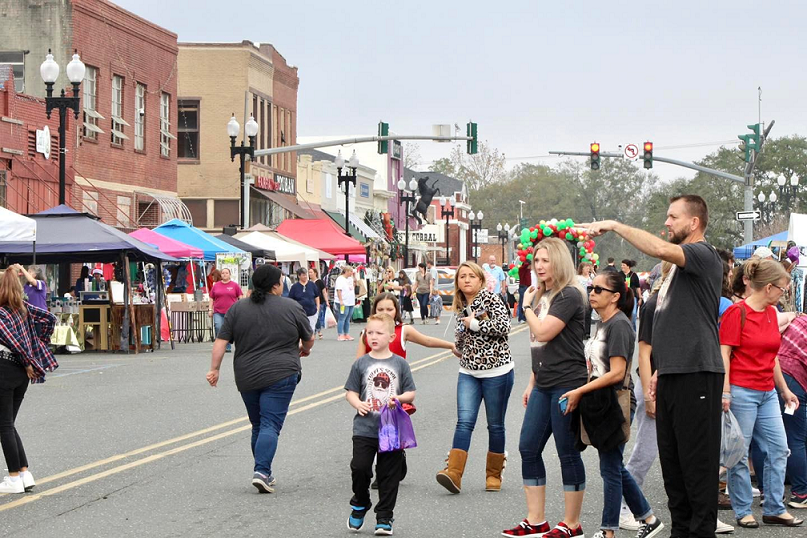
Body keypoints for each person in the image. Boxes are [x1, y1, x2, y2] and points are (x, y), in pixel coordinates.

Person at [582, 195, 724, 538]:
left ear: (694, 223)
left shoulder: (703, 254)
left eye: (673, 217)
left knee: (696, 469)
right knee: (673, 470)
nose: (667, 223)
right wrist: (661, 369)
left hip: (698, 374)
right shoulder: (675, 274)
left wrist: (615, 225)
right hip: (674, 373)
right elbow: (677, 324)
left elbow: (660, 249)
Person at [560, 270, 664, 538]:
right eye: (591, 288)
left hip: (614, 401)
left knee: (610, 469)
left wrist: (579, 390)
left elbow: (617, 373)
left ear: (616, 296)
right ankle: (649, 518)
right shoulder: (602, 321)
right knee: (613, 466)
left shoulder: (619, 325)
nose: (592, 293)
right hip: (599, 399)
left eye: (598, 290)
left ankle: (609, 530)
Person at [503, 238, 587, 538]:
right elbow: (539, 346)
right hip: (543, 382)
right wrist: (531, 382)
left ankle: (572, 523)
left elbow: (543, 332)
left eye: (545, 261)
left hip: (567, 383)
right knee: (528, 447)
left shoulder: (569, 295)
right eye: (536, 261)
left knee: (567, 452)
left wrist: (525, 306)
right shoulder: (546, 293)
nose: (538, 266)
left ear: (559, 262)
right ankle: (535, 520)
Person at [206, 264, 314, 494]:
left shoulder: (237, 309)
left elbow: (221, 342)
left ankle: (264, 470)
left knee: (258, 423)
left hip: (247, 375)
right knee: (270, 424)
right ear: (275, 285)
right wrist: (304, 348)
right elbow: (309, 338)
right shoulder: (291, 307)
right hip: (282, 372)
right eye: (281, 280)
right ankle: (262, 471)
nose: (283, 283)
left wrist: (214, 369)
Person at [719, 258, 802, 528]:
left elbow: (773, 356)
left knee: (779, 449)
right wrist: (726, 390)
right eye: (782, 288)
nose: (783, 293)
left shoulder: (770, 312)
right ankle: (743, 510)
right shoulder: (736, 312)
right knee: (739, 453)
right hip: (742, 392)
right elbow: (725, 353)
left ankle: (774, 507)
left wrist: (785, 389)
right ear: (768, 287)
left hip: (767, 391)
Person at [437, 261, 513, 495]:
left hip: (497, 371)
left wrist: (476, 324)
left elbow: (504, 326)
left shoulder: (491, 299)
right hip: (468, 371)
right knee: (464, 421)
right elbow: (462, 336)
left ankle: (493, 475)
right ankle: (454, 473)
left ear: (480, 280)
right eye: (462, 277)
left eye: (471, 276)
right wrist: (459, 345)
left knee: (495, 424)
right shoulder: (461, 307)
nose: (467, 280)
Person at [345, 313, 416, 536]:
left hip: (391, 427)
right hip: (364, 427)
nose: (373, 336)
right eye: (369, 332)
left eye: (379, 333)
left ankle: (384, 517)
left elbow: (411, 392)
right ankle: (360, 502)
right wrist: (358, 403)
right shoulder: (361, 363)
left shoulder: (400, 364)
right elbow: (351, 392)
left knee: (388, 474)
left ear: (391, 336)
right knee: (360, 467)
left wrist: (400, 399)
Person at [0, 265, 58, 494]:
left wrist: (27, 359)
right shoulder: (23, 309)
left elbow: (12, 342)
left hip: (5, 368)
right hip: (20, 374)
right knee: (7, 424)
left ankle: (13, 477)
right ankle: (24, 473)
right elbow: (50, 319)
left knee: (4, 425)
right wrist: (37, 345)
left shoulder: (2, 313)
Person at [778, 315, 807, 509]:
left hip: (776, 375)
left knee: (780, 436)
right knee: (795, 438)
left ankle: (772, 490)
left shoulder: (799, 320)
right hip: (793, 383)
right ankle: (801, 493)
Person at [209, 268, 242, 353]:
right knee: (218, 326)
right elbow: (211, 298)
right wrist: (210, 309)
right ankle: (219, 345)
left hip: (231, 312)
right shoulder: (216, 285)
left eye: (226, 273)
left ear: (229, 274)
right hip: (218, 311)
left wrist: (241, 307)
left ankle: (227, 346)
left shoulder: (234, 285)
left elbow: (240, 297)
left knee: (228, 329)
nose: (224, 274)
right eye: (223, 273)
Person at [288, 267, 320, 333]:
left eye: (306, 274)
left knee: (311, 330)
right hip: (299, 312)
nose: (305, 276)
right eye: (303, 275)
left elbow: (317, 297)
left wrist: (318, 308)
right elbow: (291, 299)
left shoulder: (312, 285)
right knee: (301, 330)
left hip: (312, 311)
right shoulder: (294, 287)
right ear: (299, 276)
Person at [335, 266, 356, 342]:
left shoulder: (350, 279)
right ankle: (340, 334)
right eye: (350, 271)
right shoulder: (340, 279)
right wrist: (341, 301)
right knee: (342, 317)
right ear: (346, 271)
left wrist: (354, 277)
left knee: (348, 318)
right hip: (343, 301)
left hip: (350, 301)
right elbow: (339, 290)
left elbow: (353, 285)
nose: (351, 273)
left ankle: (346, 333)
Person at [620, 260, 641, 328]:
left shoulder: (634, 275)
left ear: (628, 266)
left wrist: (640, 297)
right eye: (621, 265)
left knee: (633, 313)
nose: (622, 266)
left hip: (632, 297)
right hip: (622, 297)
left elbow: (638, 287)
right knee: (623, 314)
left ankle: (633, 332)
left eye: (623, 265)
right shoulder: (619, 274)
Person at [309, 267, 328, 340]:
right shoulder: (309, 282)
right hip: (311, 302)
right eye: (309, 272)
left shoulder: (320, 282)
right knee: (313, 317)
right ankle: (315, 331)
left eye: (311, 272)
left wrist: (326, 301)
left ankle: (318, 331)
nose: (310, 274)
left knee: (318, 316)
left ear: (315, 273)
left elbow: (324, 292)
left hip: (320, 301)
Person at [577, 262, 593, 338]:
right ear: (581, 269)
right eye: (585, 267)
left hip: (589, 297)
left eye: (588, 268)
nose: (587, 269)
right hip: (581, 298)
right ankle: (581, 331)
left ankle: (587, 332)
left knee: (588, 315)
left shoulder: (591, 277)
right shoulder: (578, 278)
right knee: (582, 315)